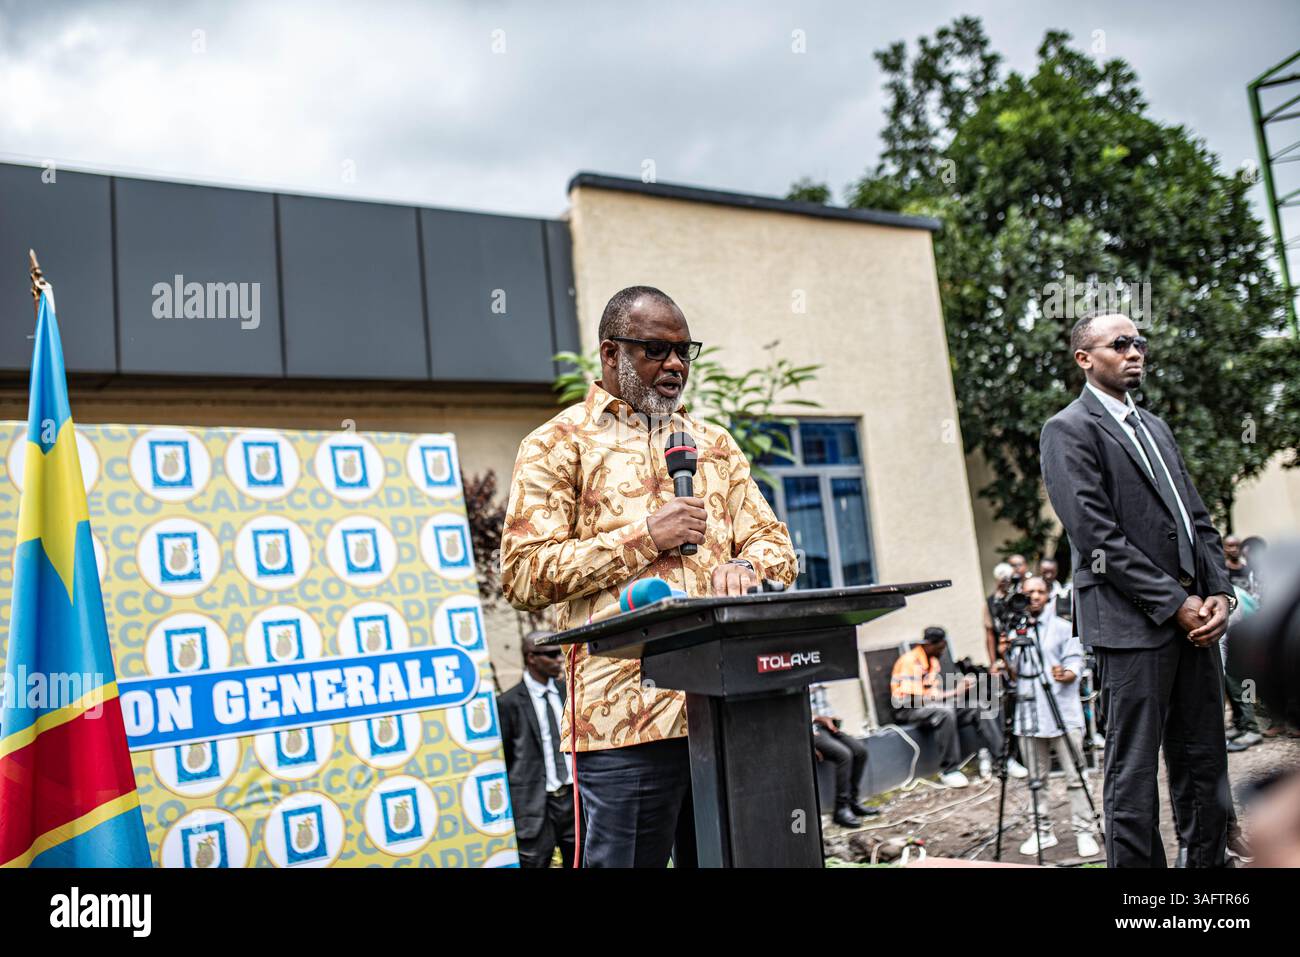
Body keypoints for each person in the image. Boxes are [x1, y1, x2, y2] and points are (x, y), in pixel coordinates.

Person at [500, 285, 798, 868]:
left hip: (725, 710)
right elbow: (523, 572)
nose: (676, 366)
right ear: (611, 353)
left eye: (685, 351)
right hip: (622, 726)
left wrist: (745, 566)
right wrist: (645, 538)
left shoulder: (711, 444)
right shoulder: (557, 445)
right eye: (656, 351)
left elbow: (774, 544)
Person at [1040, 313, 1236, 868]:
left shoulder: (1155, 427)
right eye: (1120, 344)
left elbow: (1197, 519)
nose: (1135, 352)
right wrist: (1176, 604)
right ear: (1085, 358)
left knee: (1204, 763)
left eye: (1139, 343)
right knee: (1133, 775)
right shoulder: (1067, 430)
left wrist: (1219, 593)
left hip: (1196, 625)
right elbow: (1095, 535)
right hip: (1132, 628)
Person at [1003, 577, 1101, 858]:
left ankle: (1084, 830)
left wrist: (1068, 673)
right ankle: (1041, 831)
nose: (1034, 596)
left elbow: (1075, 660)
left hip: (1061, 711)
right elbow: (1013, 674)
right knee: (1036, 779)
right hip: (1029, 715)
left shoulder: (1062, 627)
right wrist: (1003, 655)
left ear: (1048, 595)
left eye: (1039, 591)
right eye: (1029, 592)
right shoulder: (1015, 630)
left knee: (1076, 776)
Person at [890, 626, 1023, 787]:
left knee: (976, 707)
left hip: (930, 706)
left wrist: (961, 689)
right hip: (907, 709)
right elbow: (916, 698)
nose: (942, 651)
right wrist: (955, 692)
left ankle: (1004, 760)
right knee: (945, 713)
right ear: (929, 644)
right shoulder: (909, 661)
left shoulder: (932, 661)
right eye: (940, 647)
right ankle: (949, 770)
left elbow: (933, 694)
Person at [497, 630, 576, 867]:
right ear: (531, 657)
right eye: (551, 654)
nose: (559, 659)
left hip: (574, 801)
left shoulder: (568, 692)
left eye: (559, 652)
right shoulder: (508, 702)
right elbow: (506, 758)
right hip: (535, 806)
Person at [810, 683, 879, 828]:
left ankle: (853, 802)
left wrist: (830, 718)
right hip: (811, 729)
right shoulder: (795, 672)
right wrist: (817, 719)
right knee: (844, 755)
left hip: (827, 726)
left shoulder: (817, 672)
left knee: (860, 751)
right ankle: (841, 810)